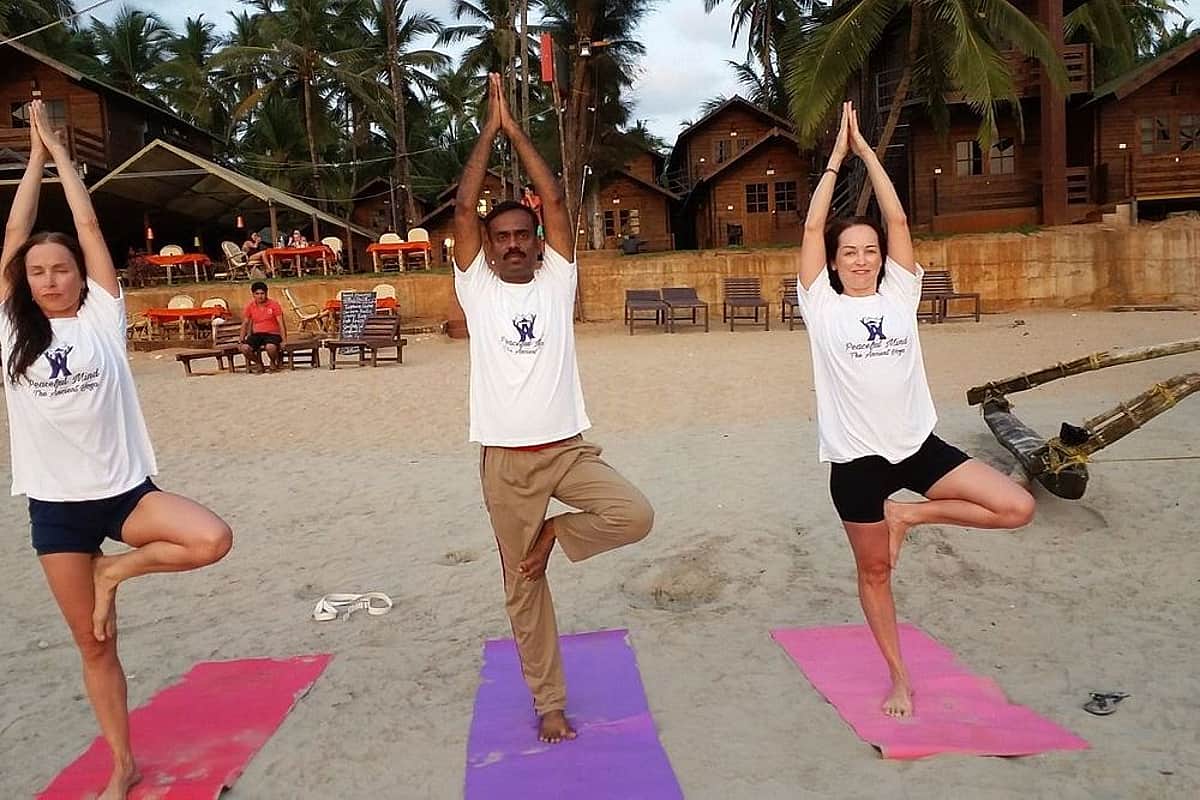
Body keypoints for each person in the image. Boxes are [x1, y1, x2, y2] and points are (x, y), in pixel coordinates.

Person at [1, 100, 233, 800]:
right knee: (96, 645)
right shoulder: (11, 329)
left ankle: (115, 574)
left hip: (125, 493)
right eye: (37, 271)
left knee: (212, 538)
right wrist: (33, 157)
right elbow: (14, 232)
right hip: (57, 510)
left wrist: (61, 156)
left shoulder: (105, 316)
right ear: (26, 280)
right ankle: (122, 762)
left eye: (60, 268)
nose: (49, 278)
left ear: (79, 275)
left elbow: (90, 223)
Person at [795, 101, 1035, 718]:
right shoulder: (820, 305)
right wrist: (833, 164)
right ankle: (899, 677)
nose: (862, 258)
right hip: (856, 463)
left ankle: (909, 517)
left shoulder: (902, 291)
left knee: (1017, 507)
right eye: (849, 251)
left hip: (918, 448)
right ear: (833, 261)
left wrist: (868, 154)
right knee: (875, 575)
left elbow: (898, 216)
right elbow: (810, 231)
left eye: (869, 250)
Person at [454, 75, 654, 744]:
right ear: (488, 245)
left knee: (635, 514)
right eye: (501, 236)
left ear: (538, 241)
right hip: (506, 466)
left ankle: (554, 537)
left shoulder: (558, 278)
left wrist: (519, 133)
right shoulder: (477, 289)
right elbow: (461, 210)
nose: (512, 244)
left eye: (522, 234)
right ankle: (549, 703)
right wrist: (488, 133)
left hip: (567, 452)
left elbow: (559, 201)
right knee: (523, 588)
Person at [238, 281, 287, 372]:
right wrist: (241, 340)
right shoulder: (250, 306)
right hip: (257, 335)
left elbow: (281, 323)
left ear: (266, 293)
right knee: (245, 348)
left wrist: (284, 340)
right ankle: (258, 363)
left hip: (273, 334)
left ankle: (273, 362)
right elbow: (245, 323)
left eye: (262, 293)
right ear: (253, 294)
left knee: (270, 347)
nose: (260, 296)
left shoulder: (274, 305)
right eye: (257, 294)